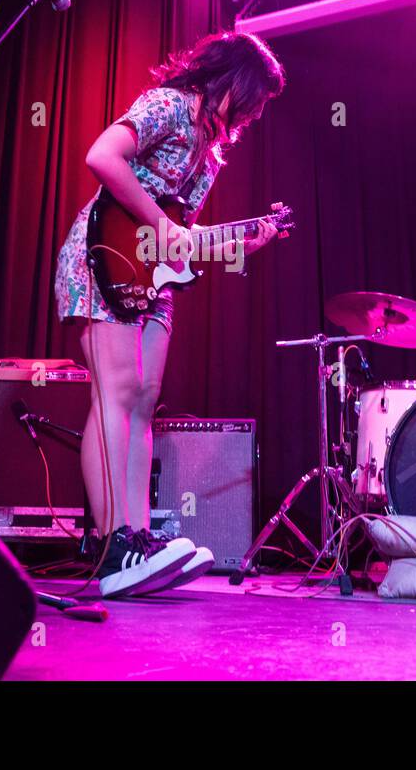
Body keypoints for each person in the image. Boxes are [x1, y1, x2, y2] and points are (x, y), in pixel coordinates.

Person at [54, 31, 286, 597]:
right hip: (102, 256)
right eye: (254, 99)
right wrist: (162, 228)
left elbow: (178, 237)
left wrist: (239, 244)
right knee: (115, 391)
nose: (255, 114)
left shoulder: (210, 155)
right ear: (233, 81)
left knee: (142, 400)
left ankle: (134, 536)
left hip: (150, 277)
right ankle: (112, 545)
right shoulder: (170, 105)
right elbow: (102, 157)